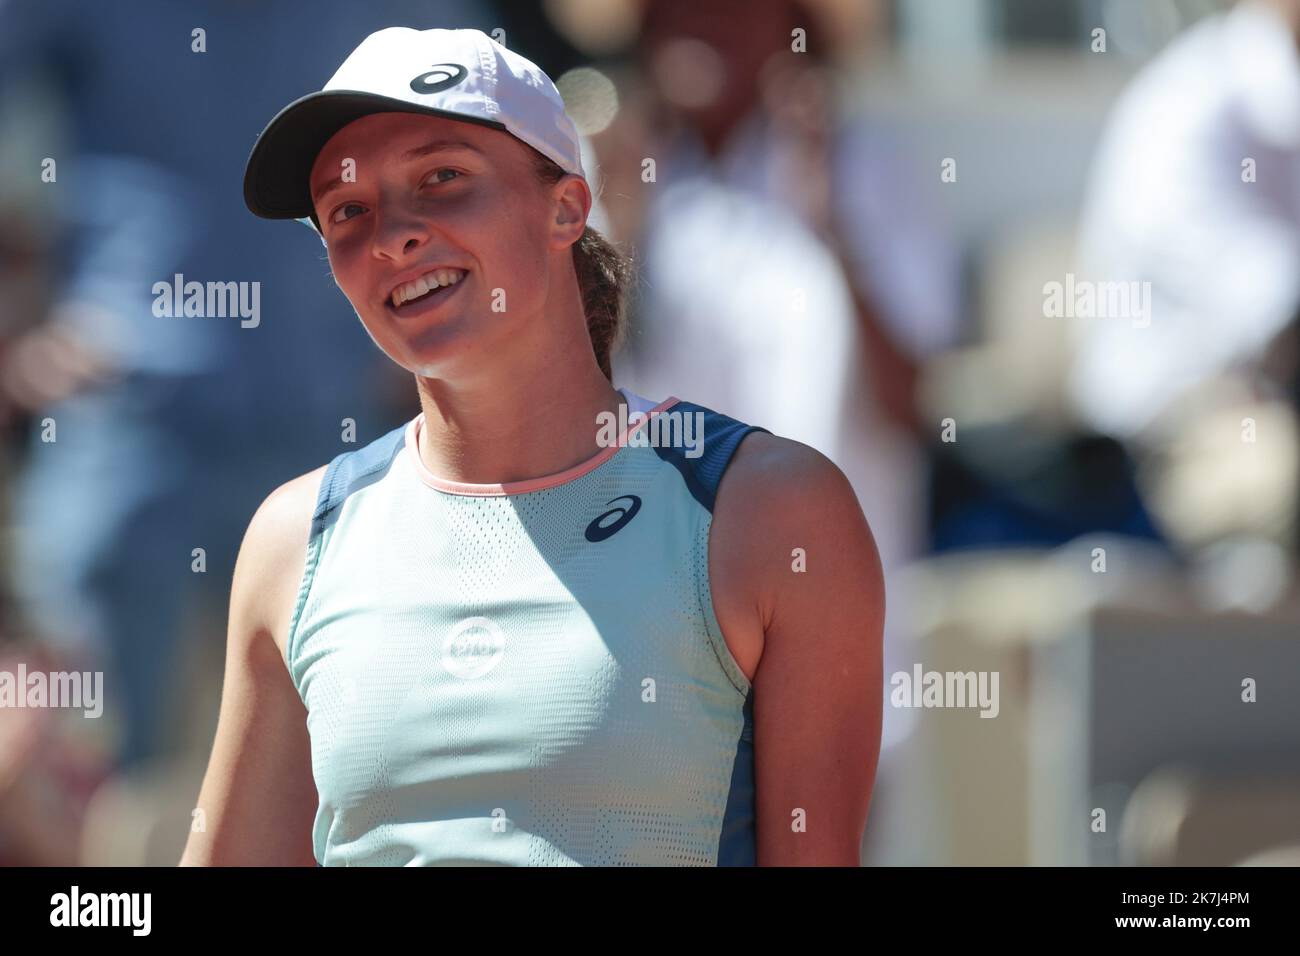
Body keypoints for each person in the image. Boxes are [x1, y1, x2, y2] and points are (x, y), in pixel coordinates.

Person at [180, 27, 882, 866]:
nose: (392, 235)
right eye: (346, 211)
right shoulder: (293, 542)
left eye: (442, 179)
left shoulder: (772, 511)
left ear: (566, 207)